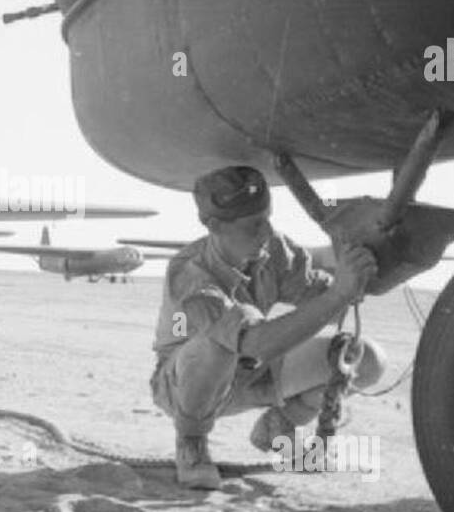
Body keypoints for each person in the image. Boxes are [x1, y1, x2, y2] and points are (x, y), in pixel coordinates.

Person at [151, 165, 387, 489]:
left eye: (267, 218)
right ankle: (191, 442)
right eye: (254, 225)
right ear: (215, 225)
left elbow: (320, 296)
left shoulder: (272, 248)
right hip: (185, 384)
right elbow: (254, 343)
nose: (266, 232)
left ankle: (279, 427)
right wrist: (338, 295)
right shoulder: (190, 273)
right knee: (218, 343)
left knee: (366, 358)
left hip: (252, 371)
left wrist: (359, 274)